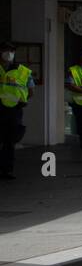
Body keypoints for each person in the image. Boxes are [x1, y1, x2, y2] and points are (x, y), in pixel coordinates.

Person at [1, 43, 35, 180]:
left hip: (14, 110)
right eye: (5, 50)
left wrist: (22, 99)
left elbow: (31, 91)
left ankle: (7, 170)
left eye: (11, 51)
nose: (8, 53)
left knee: (10, 141)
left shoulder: (23, 71)